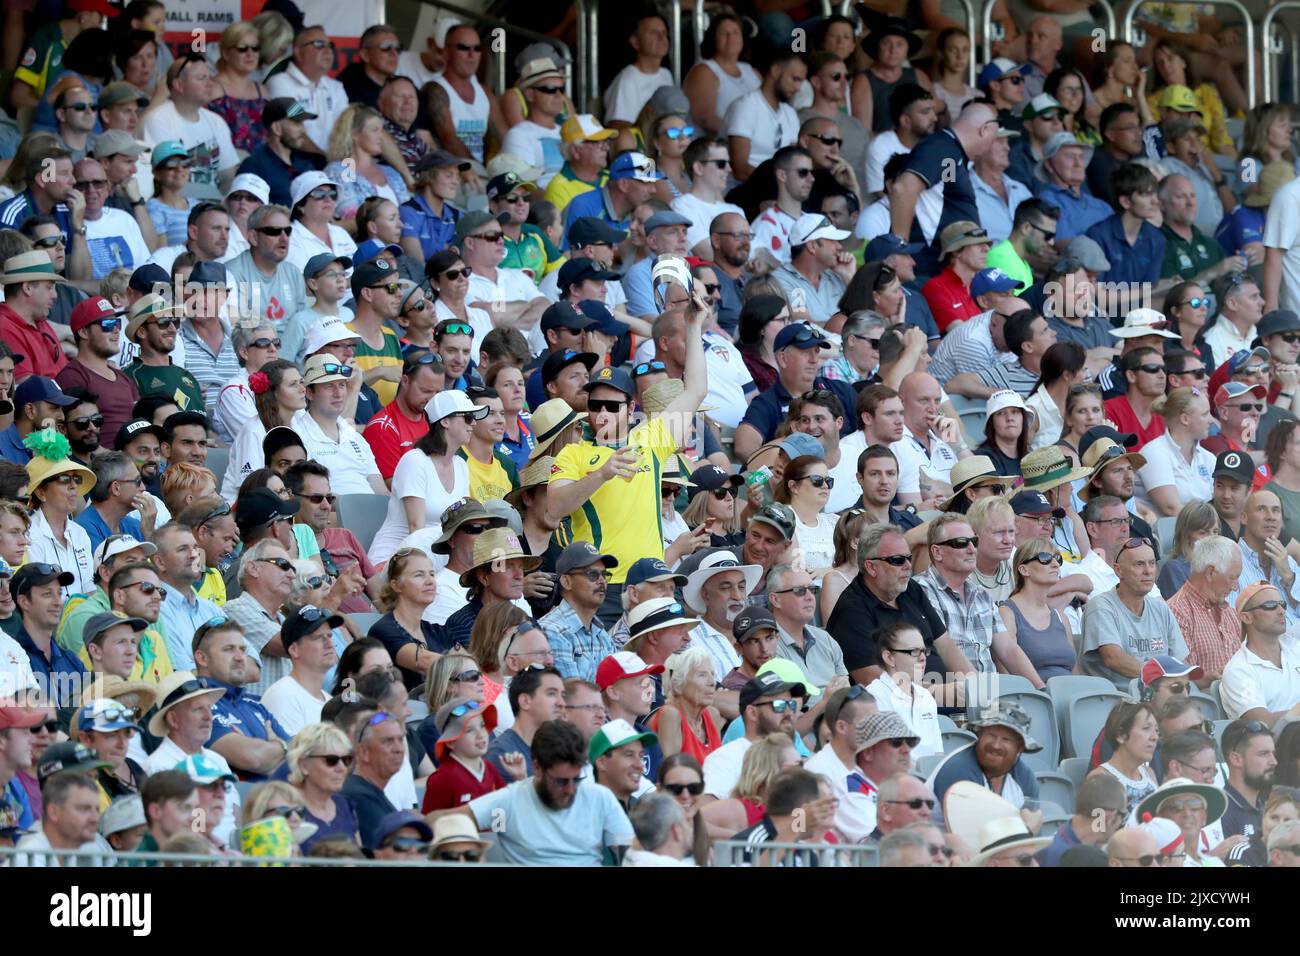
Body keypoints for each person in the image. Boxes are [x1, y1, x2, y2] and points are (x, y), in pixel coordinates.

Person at [1081, 536, 1191, 688]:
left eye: (1152, 564)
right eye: (1139, 564)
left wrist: (1204, 679)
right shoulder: (1101, 606)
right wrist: (1161, 678)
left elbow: (1180, 662)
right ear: (1119, 570)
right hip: (1118, 701)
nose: (1148, 571)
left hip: (1158, 697)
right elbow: (1113, 658)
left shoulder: (1161, 609)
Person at [929, 700, 1042, 809]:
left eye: (1006, 739)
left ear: (1020, 747)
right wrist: (1027, 825)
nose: (996, 745)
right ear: (979, 734)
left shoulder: (1023, 776)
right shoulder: (959, 770)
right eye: (991, 735)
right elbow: (970, 826)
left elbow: (1034, 817)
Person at [1220, 582, 1300, 725]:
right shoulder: (1238, 670)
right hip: (1280, 745)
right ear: (1246, 618)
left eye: (1282, 604)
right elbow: (1263, 722)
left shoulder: (1295, 648)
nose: (1281, 610)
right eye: (1270, 605)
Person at [1000, 537, 1077, 681]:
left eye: (1057, 559)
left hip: (1069, 697)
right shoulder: (1007, 613)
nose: (1055, 564)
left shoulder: (1061, 617)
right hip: (1033, 699)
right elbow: (1005, 675)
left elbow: (1075, 672)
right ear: (1024, 570)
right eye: (1045, 558)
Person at [1040, 773, 1128, 866]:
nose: (1121, 823)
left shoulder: (1068, 841)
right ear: (1109, 817)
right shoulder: (1062, 857)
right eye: (1123, 815)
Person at [1092, 700, 1161, 818]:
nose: (1154, 737)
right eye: (1146, 728)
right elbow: (1097, 831)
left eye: (1156, 730)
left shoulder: (1149, 774)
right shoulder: (1100, 778)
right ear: (1121, 735)